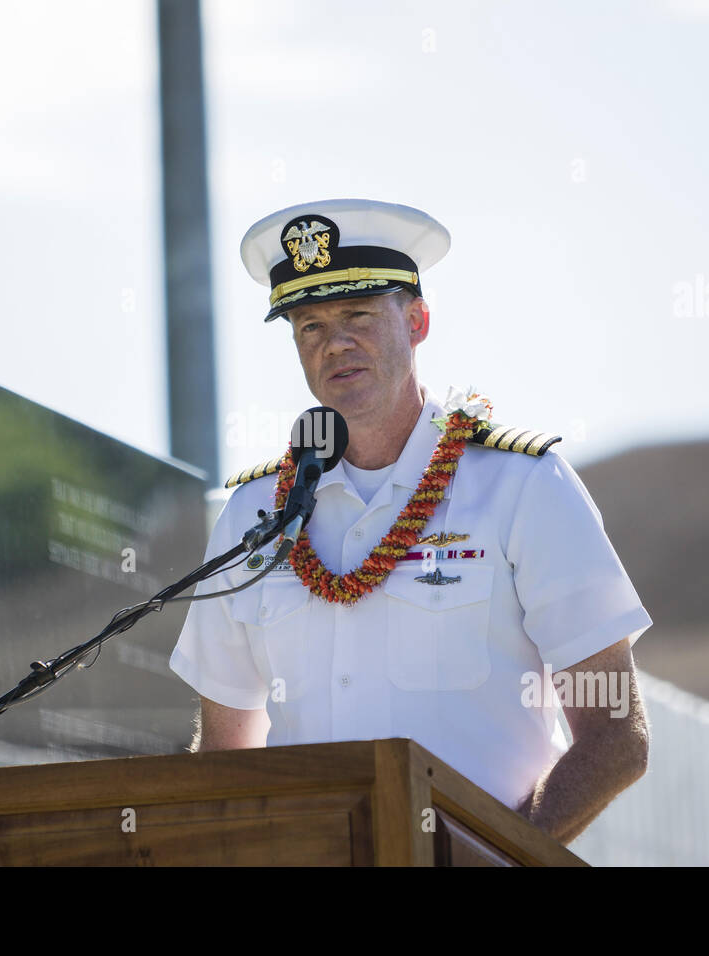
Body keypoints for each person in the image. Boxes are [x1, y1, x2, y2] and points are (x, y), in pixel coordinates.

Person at [168, 199, 653, 846]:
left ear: (419, 321)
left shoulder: (522, 485)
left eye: (358, 315)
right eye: (308, 326)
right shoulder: (254, 515)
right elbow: (228, 758)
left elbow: (618, 736)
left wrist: (496, 858)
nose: (335, 342)